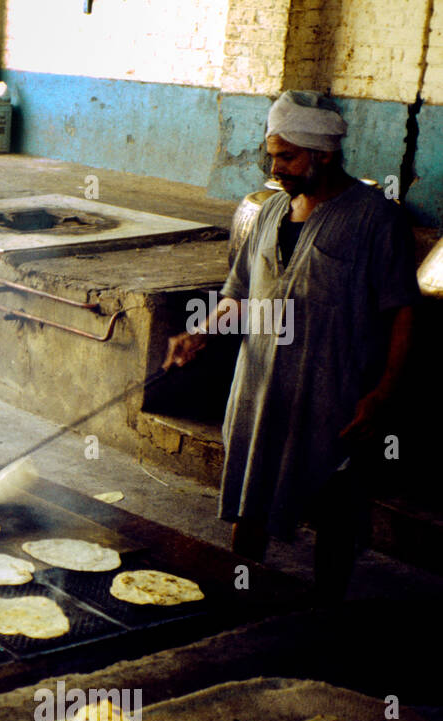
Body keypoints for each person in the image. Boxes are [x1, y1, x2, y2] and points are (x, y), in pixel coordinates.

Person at [164, 91, 418, 602]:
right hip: (260, 386)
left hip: (330, 392)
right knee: (249, 497)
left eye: (286, 156)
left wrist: (384, 390)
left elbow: (400, 310)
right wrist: (202, 333)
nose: (274, 167)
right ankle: (239, 592)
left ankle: (325, 611)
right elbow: (240, 292)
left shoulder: (374, 219)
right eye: (271, 154)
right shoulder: (271, 210)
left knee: (334, 507)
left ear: (322, 154)